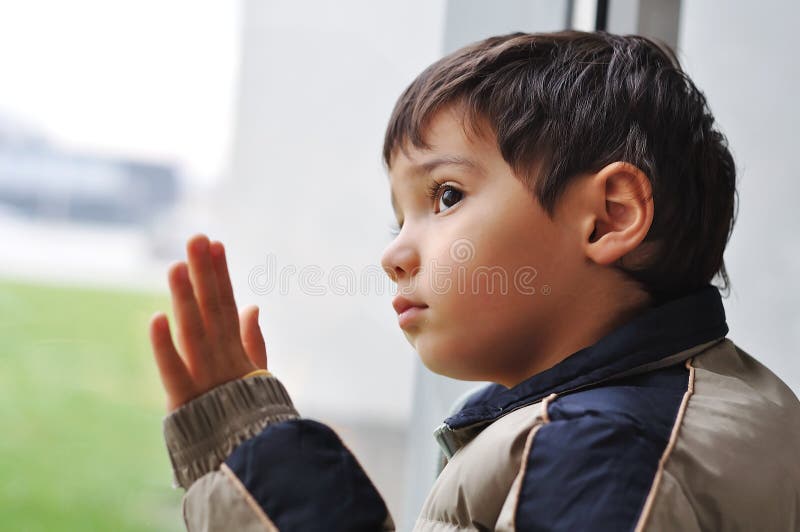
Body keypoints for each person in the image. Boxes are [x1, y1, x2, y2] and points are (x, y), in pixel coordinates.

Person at [148, 30, 800, 531]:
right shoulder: (678, 410)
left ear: (608, 218)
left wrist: (274, 476)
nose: (394, 252)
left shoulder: (603, 452)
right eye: (397, 217)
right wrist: (252, 456)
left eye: (447, 196)